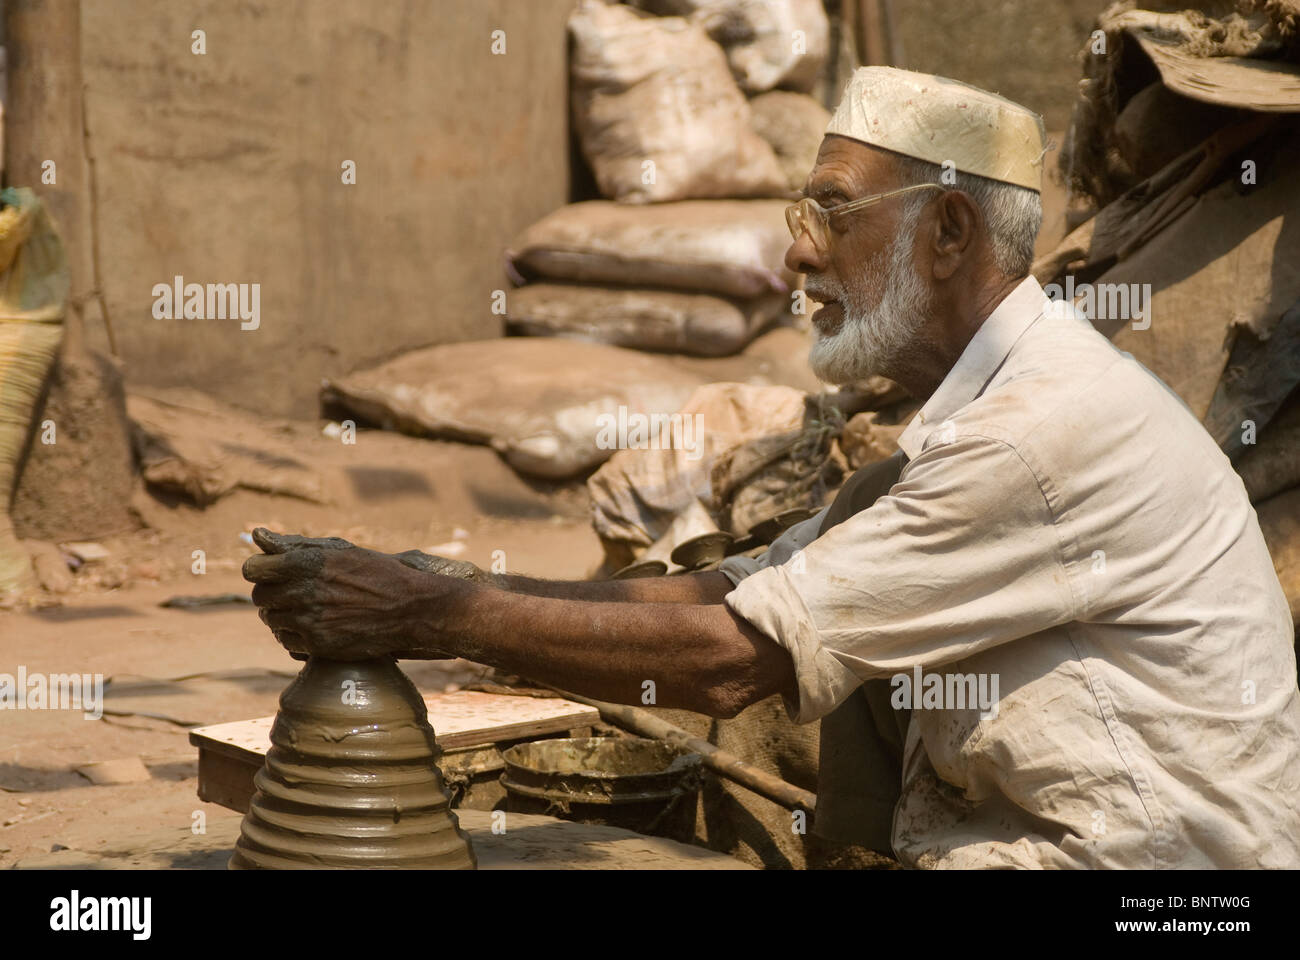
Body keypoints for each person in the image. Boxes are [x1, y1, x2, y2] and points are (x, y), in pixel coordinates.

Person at [244, 67, 1300, 869]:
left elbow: (731, 657)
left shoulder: (1038, 433)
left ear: (945, 230)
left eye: (830, 212)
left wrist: (434, 618)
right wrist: (455, 584)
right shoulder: (953, 436)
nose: (797, 253)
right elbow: (738, 589)